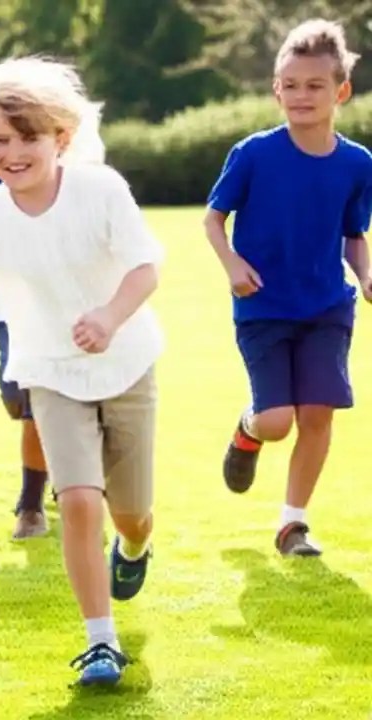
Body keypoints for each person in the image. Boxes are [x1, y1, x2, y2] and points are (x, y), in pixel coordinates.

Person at [0, 57, 163, 686]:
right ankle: (101, 642)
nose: (12, 153)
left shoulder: (101, 189)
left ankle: (135, 545)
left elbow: (145, 268)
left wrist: (109, 317)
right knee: (80, 501)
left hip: (127, 364)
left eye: (28, 137)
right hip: (49, 373)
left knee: (131, 512)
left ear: (61, 137)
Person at [206, 19, 372, 557]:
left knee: (318, 413)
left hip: (327, 307)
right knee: (277, 422)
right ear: (276, 89)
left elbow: (353, 233)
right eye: (291, 85)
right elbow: (213, 219)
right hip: (263, 307)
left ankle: (292, 524)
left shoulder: (357, 163)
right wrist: (232, 264)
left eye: (315, 85)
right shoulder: (254, 153)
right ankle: (248, 430)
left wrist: (365, 274)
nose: (301, 95)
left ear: (340, 91)